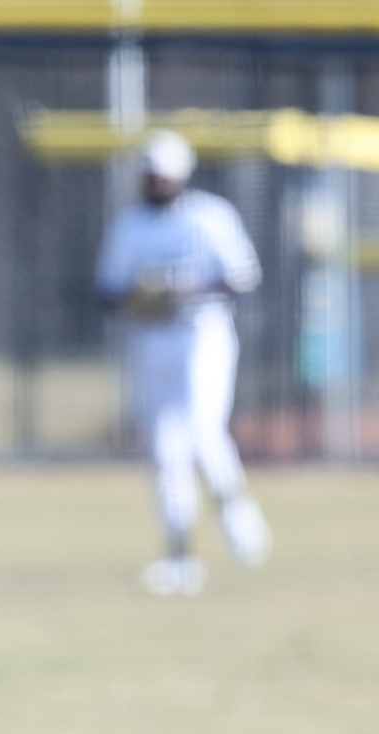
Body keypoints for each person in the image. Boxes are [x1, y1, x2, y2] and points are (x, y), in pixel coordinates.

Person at [95, 128, 271, 596]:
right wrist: (142, 298)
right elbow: (107, 290)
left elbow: (244, 280)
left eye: (162, 177)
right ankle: (180, 558)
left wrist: (185, 292)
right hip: (152, 341)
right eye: (149, 176)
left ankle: (235, 513)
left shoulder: (210, 217)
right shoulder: (130, 225)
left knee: (202, 433)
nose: (155, 184)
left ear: (181, 177)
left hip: (202, 337)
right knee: (164, 450)